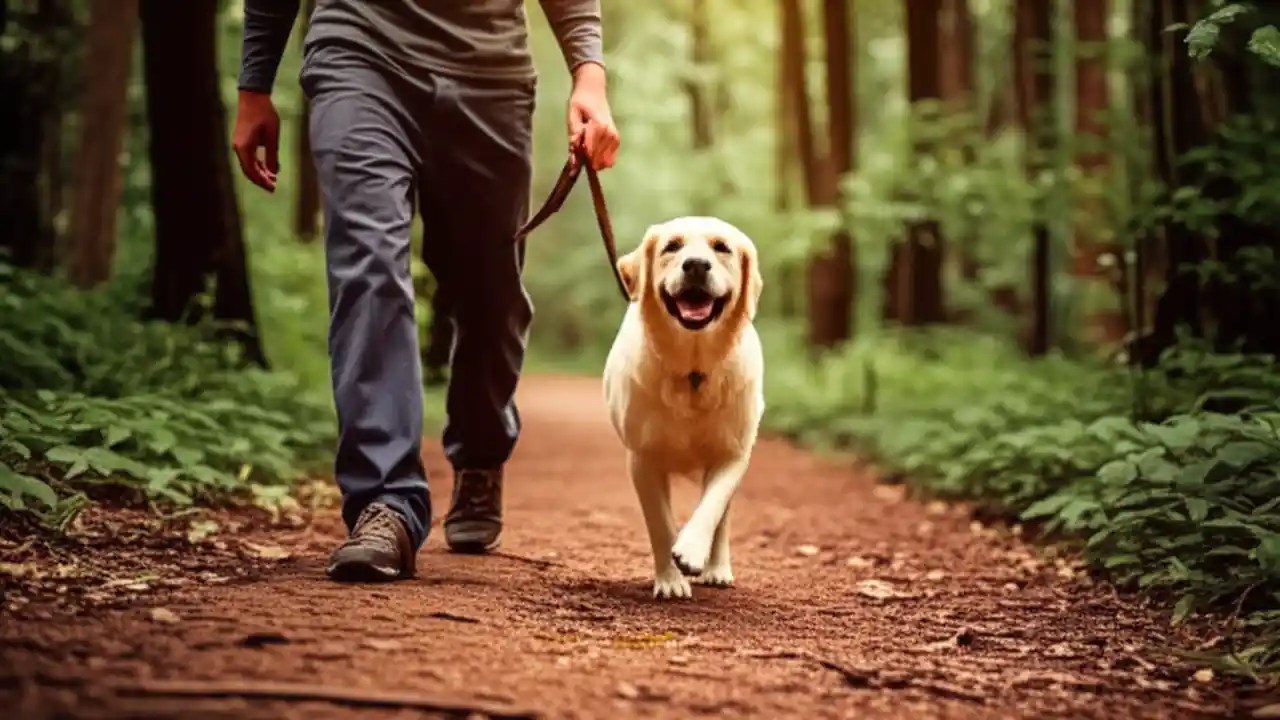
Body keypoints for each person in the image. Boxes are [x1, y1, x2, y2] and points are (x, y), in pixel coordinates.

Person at [233, 0, 619, 582]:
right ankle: (386, 502)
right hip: (357, 54)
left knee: (491, 292)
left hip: (490, 72)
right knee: (368, 267)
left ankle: (481, 452)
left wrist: (588, 71)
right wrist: (253, 83)